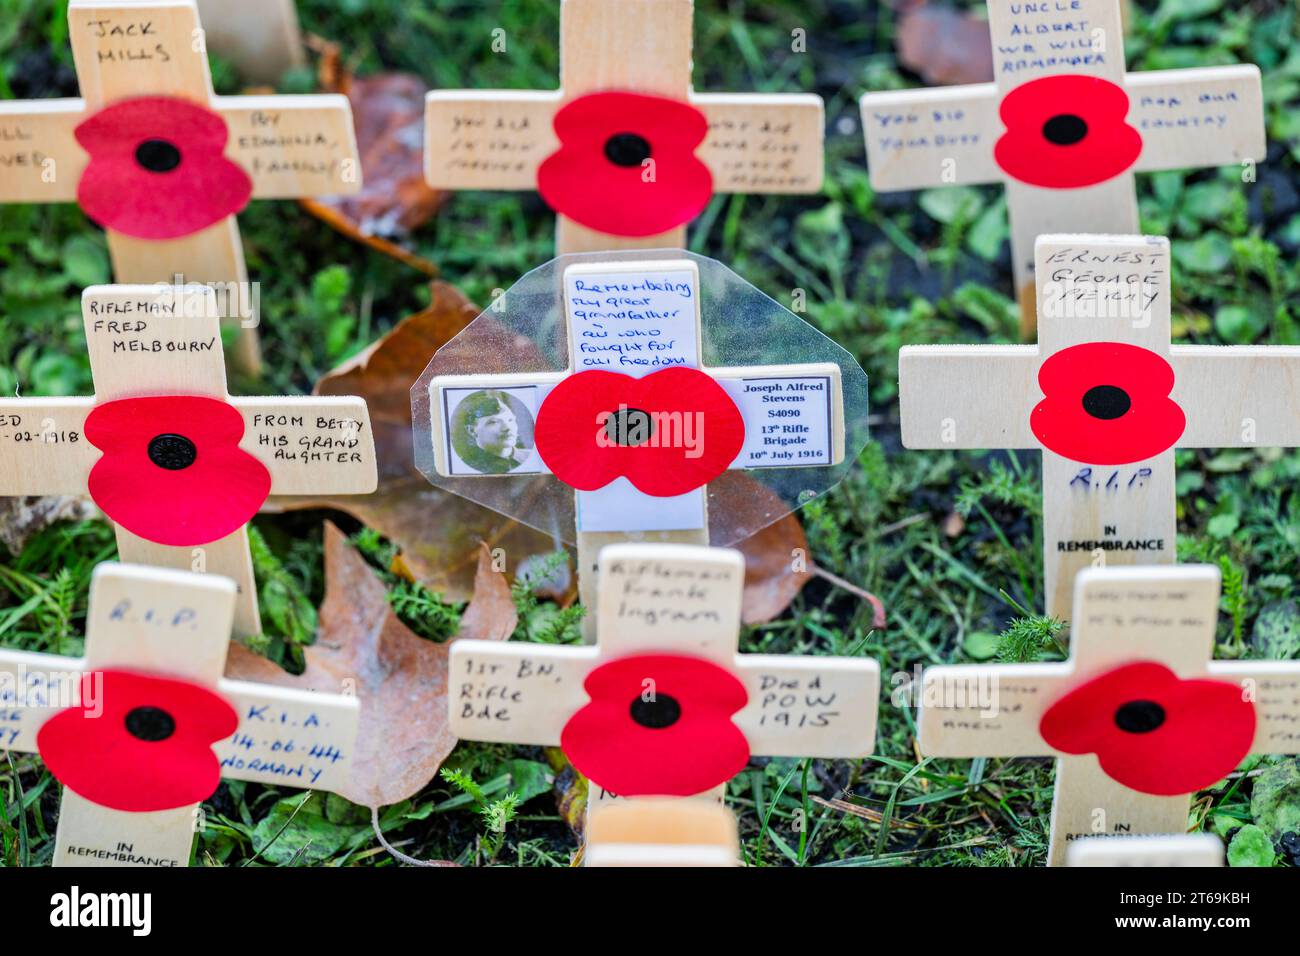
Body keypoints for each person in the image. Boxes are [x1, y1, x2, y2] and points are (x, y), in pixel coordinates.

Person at [452, 390, 532, 474]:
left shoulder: (530, 457)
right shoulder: (465, 467)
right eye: (494, 422)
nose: (507, 427)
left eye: (510, 420)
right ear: (472, 430)